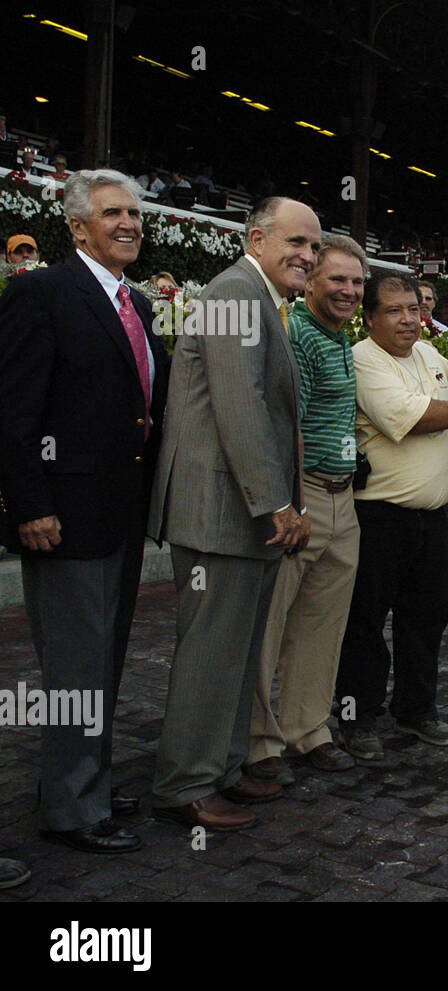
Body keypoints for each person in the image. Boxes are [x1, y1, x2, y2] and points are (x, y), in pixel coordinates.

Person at [0, 169, 169, 853]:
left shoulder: (138, 304)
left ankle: (85, 782)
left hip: (119, 516)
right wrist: (28, 505)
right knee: (74, 667)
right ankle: (71, 810)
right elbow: (13, 412)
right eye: (111, 213)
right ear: (75, 227)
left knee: (102, 661)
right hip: (62, 519)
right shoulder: (39, 292)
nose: (129, 222)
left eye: (134, 212)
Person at [147, 197, 318, 831]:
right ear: (256, 238)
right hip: (222, 512)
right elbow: (241, 407)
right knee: (211, 654)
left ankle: (219, 770)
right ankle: (184, 785)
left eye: (313, 246)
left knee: (238, 654)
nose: (306, 255)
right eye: (295, 242)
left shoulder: (255, 295)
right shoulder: (236, 293)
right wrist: (276, 503)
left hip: (240, 512)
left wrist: (286, 503)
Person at [334, 275, 448, 761]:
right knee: (364, 622)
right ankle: (356, 717)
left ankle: (415, 710)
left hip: (431, 519)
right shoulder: (364, 360)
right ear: (369, 318)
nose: (408, 319)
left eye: (412, 308)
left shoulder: (429, 355)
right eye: (393, 310)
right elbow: (407, 415)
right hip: (378, 518)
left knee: (426, 619)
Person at [247, 234, 367, 783]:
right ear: (311, 281)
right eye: (337, 279)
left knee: (322, 627)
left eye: (357, 281)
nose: (348, 290)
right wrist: (290, 503)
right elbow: (284, 425)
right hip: (307, 497)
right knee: (271, 628)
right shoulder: (299, 335)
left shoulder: (339, 338)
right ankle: (259, 742)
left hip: (343, 500)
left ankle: (309, 728)